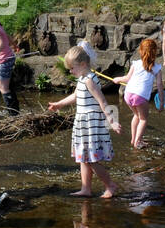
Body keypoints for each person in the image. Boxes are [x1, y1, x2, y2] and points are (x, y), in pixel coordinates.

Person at [48, 43, 121, 198]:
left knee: (92, 160)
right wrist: (59, 104)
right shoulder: (82, 78)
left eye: (72, 68)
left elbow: (103, 101)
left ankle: (110, 185)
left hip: (91, 124)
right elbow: (75, 96)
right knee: (83, 159)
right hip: (83, 124)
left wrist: (112, 121)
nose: (70, 71)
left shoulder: (90, 80)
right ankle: (86, 189)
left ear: (82, 64)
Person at [114, 37, 162, 148]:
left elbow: (127, 78)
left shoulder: (135, 64)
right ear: (155, 52)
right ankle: (138, 141)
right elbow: (159, 85)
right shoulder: (157, 68)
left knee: (136, 115)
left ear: (141, 51)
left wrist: (118, 79)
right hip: (140, 97)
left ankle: (133, 139)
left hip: (128, 94)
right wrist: (162, 102)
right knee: (143, 119)